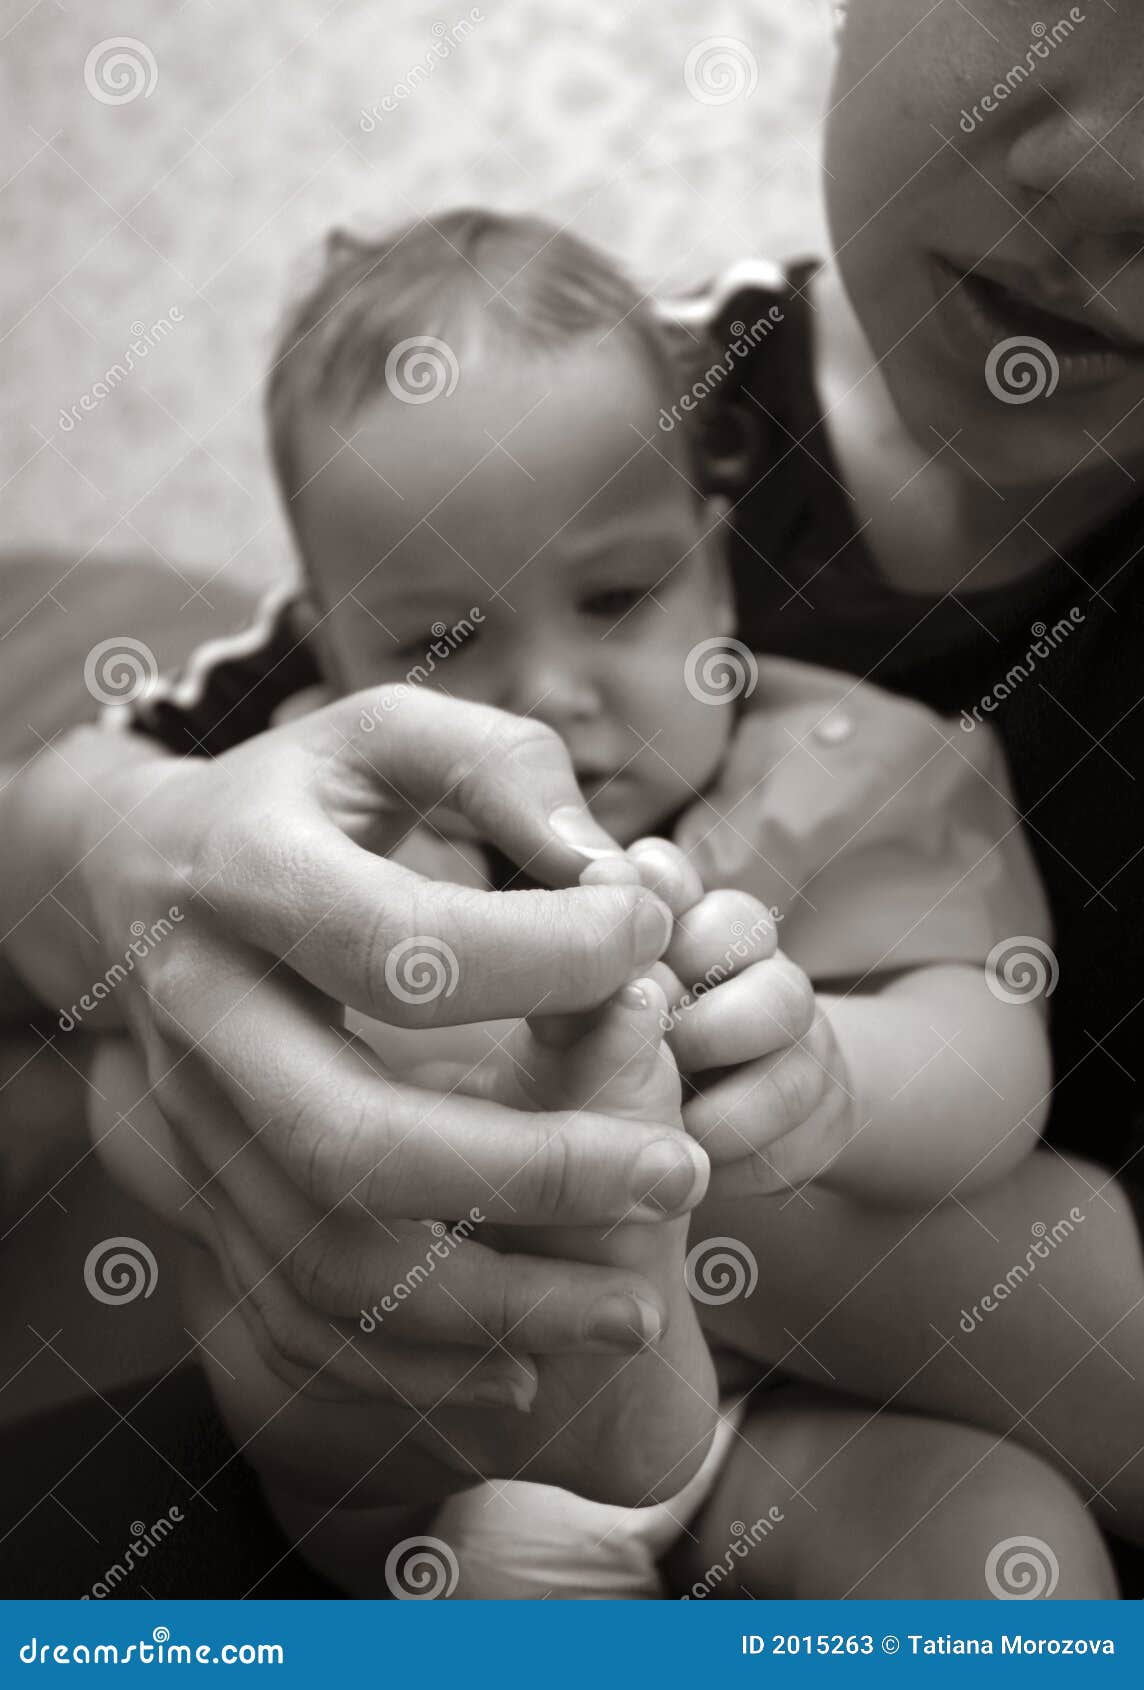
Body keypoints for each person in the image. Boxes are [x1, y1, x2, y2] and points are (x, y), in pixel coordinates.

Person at [90, 207, 1112, 1600]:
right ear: (327, 655)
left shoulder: (858, 770)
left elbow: (993, 1062)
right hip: (457, 1451)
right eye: (443, 640)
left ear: (713, 559)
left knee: (1007, 1550)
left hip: (795, 1412)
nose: (553, 696)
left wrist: (829, 1077)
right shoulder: (321, 829)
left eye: (619, 593)